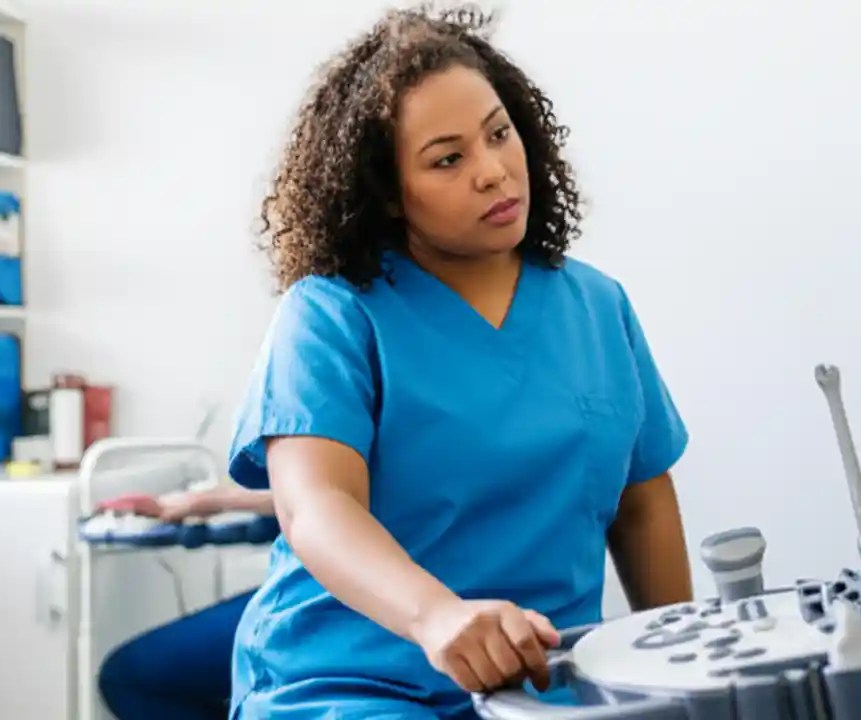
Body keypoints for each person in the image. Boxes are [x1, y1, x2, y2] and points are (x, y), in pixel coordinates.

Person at [226, 4, 694, 718]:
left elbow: (642, 502)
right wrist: (436, 616)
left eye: (499, 135)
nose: (494, 171)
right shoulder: (333, 315)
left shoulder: (599, 307)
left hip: (548, 686)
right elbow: (315, 504)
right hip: (354, 684)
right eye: (448, 159)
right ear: (386, 194)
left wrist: (682, 665)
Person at [97, 485, 274, 720]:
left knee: (130, 678)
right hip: (312, 583)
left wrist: (213, 501)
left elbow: (314, 498)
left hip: (320, 598)